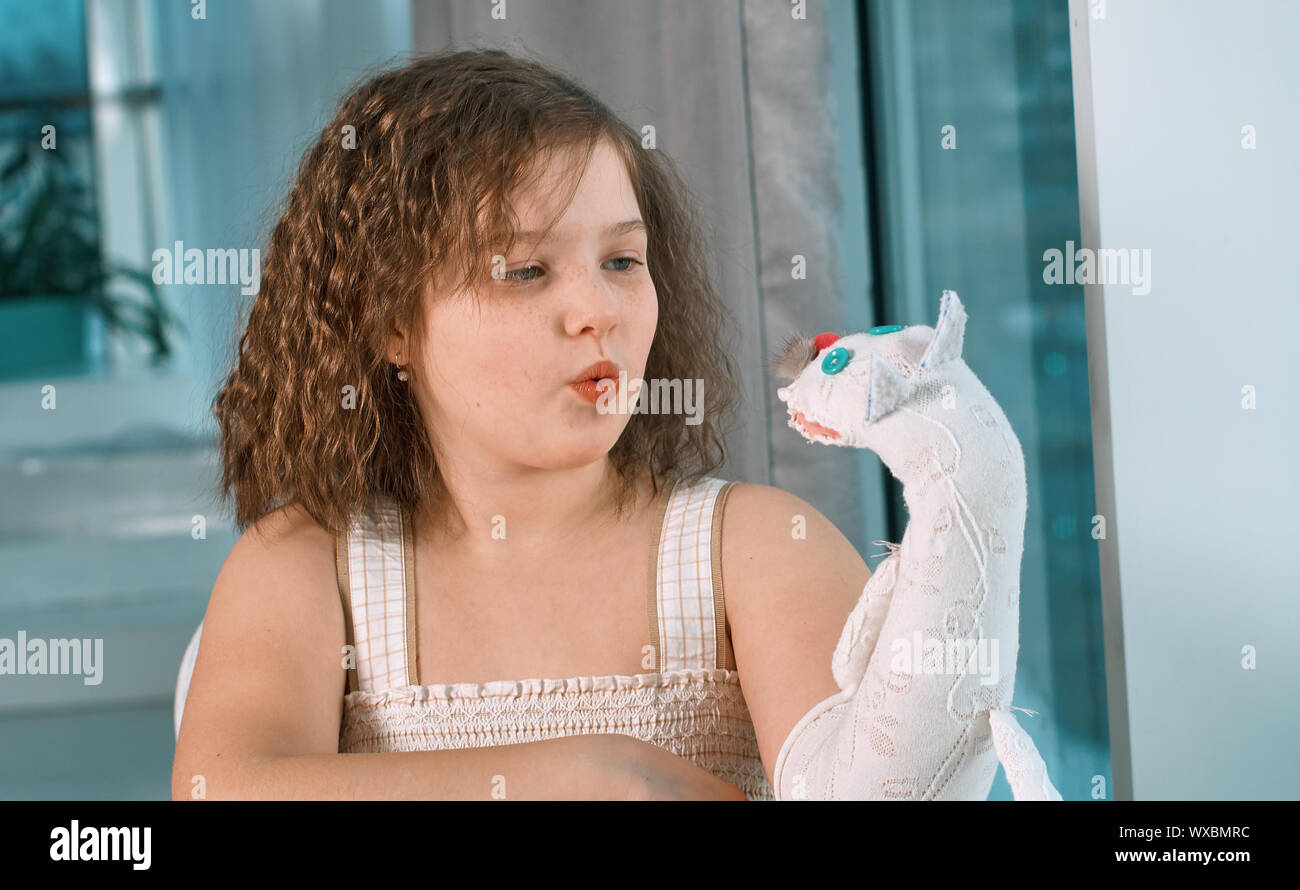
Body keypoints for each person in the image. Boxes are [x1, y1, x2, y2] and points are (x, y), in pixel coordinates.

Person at [171, 48, 870, 801]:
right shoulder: (308, 569)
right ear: (390, 324)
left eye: (623, 261)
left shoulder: (759, 552)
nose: (599, 311)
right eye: (527, 271)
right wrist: (589, 778)